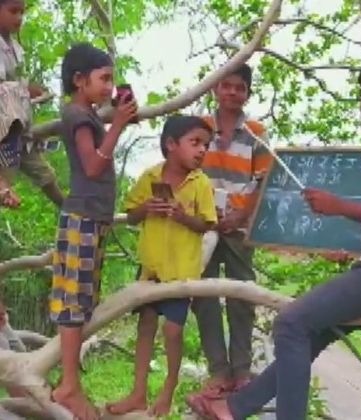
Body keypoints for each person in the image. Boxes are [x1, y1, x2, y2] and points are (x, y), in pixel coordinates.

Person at [186, 58, 361, 420]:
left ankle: (244, 386)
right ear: (215, 89)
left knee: (290, 323)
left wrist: (337, 205)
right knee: (309, 334)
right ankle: (234, 406)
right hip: (202, 226)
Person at [49, 43, 137, 420]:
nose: (109, 85)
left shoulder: (89, 115)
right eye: (104, 78)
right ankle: (69, 385)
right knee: (73, 305)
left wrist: (116, 120)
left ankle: (69, 381)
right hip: (82, 220)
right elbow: (93, 167)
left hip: (92, 220)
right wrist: (116, 125)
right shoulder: (78, 116)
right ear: (79, 81)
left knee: (82, 303)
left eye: (112, 79)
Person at [106, 115, 216, 416]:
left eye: (206, 145)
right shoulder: (150, 176)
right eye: (195, 143)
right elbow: (130, 215)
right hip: (151, 271)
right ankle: (137, 393)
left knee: (172, 331)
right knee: (145, 327)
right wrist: (146, 208)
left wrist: (182, 216)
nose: (202, 150)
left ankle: (168, 388)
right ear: (171, 145)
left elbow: (205, 223)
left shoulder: (201, 183)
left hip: (181, 276)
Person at [188, 64, 273, 399]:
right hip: (201, 227)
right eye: (227, 86)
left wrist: (242, 214)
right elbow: (184, 171)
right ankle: (218, 371)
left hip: (239, 227)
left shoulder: (255, 132)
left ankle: (241, 370)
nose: (233, 93)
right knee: (203, 297)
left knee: (241, 296)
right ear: (215, 89)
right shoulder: (199, 127)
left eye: (240, 88)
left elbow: (264, 180)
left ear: (247, 93)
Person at [0, 0, 64, 207]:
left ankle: (71, 210)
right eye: (13, 11)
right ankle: (3, 187)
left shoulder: (16, 48)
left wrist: (32, 90)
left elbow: (19, 84)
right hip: (5, 126)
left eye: (22, 12)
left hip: (19, 128)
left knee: (45, 175)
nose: (18, 17)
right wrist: (23, 91)